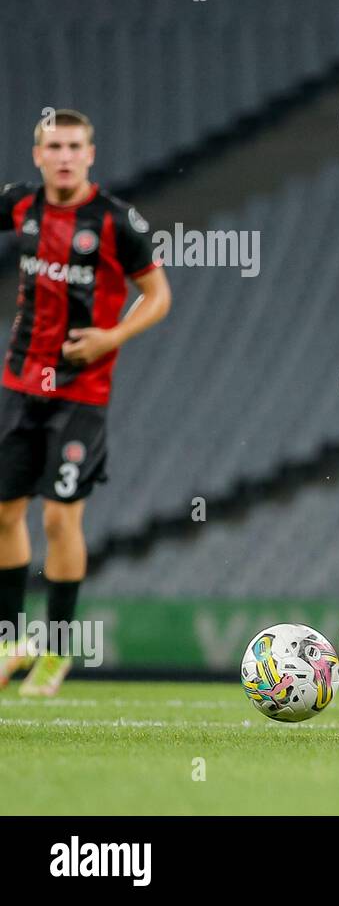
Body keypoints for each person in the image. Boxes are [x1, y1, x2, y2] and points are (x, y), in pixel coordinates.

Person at [0, 109, 172, 696]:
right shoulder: (20, 205)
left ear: (90, 154)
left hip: (82, 392)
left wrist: (111, 337)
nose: (65, 155)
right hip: (20, 385)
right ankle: (7, 639)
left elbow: (158, 294)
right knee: (4, 513)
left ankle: (56, 649)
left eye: (75, 146)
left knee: (58, 515)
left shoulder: (116, 221)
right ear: (38, 154)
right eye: (55, 146)